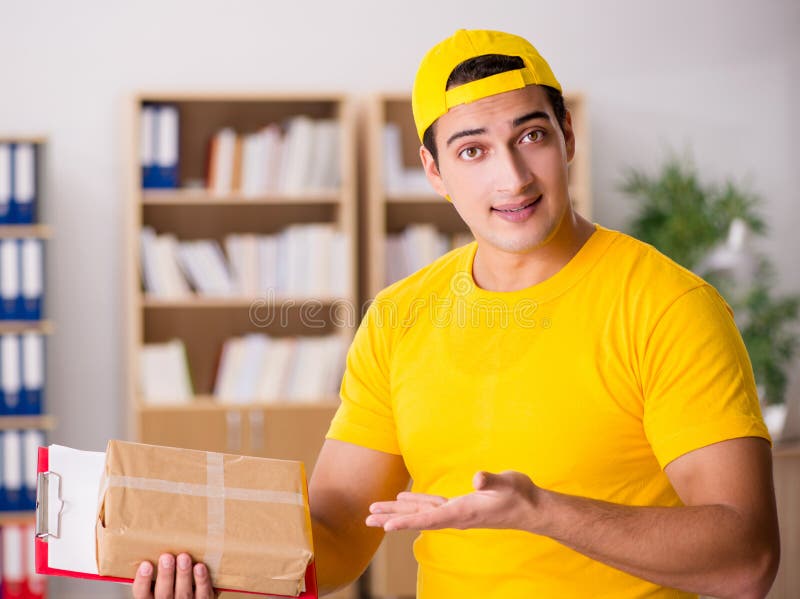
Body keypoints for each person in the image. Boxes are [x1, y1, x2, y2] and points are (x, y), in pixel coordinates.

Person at [132, 29, 780, 599]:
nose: (513, 178)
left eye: (531, 136)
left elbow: (746, 560)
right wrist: (221, 566)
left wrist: (541, 512)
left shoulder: (670, 308)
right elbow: (338, 529)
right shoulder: (398, 317)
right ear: (434, 171)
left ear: (567, 136)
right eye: (473, 150)